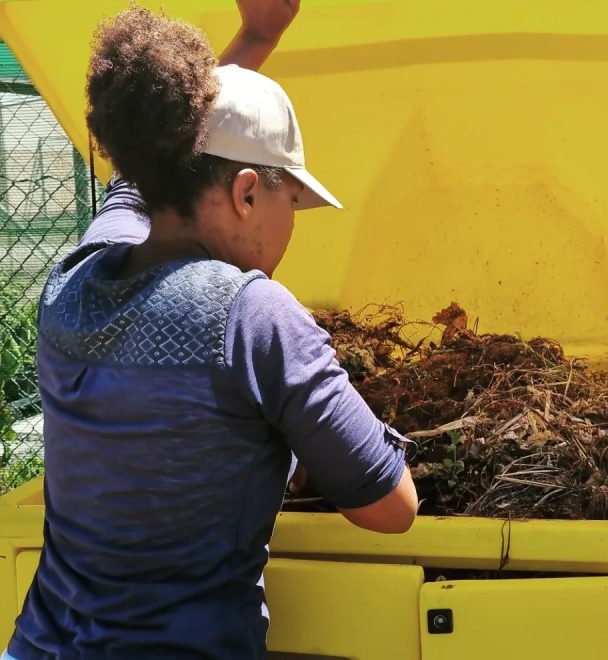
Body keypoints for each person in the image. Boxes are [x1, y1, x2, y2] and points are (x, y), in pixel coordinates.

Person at [5, 2, 418, 658]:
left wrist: (258, 37)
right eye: (294, 200)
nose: (294, 221)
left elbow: (142, 176)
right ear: (248, 193)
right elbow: (391, 508)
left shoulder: (75, 280)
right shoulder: (253, 317)